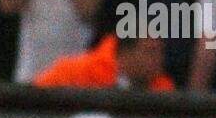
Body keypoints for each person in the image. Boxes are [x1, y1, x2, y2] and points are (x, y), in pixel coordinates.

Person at [34, 34, 174, 91]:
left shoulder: (162, 88)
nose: (158, 59)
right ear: (125, 54)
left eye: (160, 52)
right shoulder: (74, 72)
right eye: (150, 52)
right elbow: (34, 99)